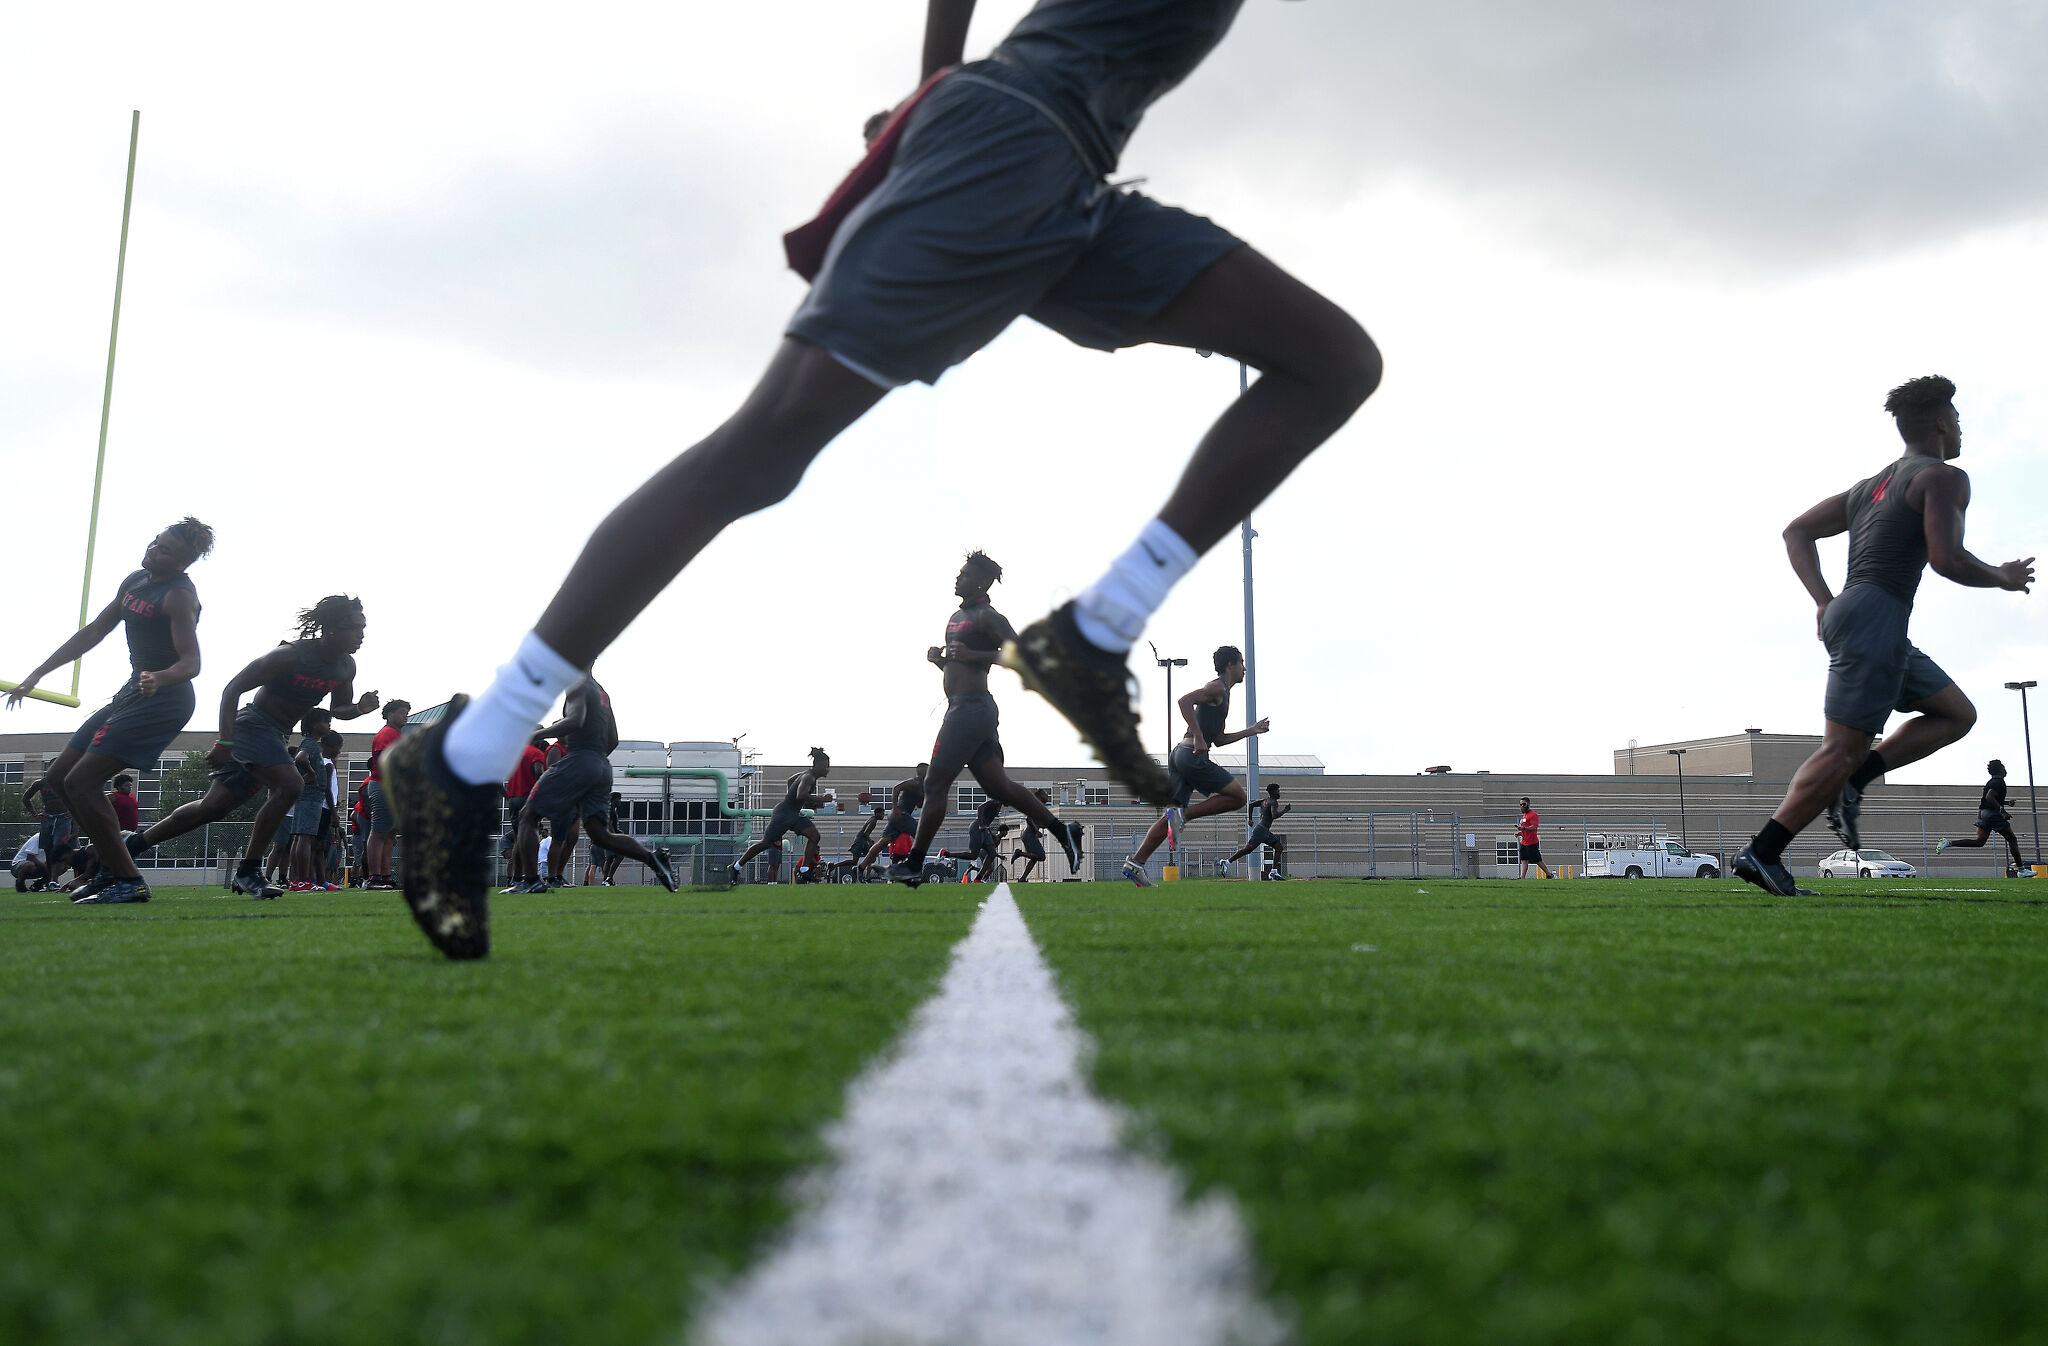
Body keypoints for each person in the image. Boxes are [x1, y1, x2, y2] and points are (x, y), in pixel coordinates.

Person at [381, 0, 1381, 958]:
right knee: (762, 449)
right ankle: (467, 753)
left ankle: (1096, 629)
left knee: (1332, 360)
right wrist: (935, 93)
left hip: (1070, 181)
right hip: (1007, 141)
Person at [1734, 376, 2035, 896]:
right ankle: (1763, 852)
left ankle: (1856, 779)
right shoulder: (1943, 478)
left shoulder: (1870, 485)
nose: (1960, 427)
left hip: (1867, 617)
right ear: (1940, 422)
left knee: (1956, 714)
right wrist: (2002, 576)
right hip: (1875, 616)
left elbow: (1796, 531)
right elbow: (1947, 558)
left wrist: (1825, 601)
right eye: (1957, 417)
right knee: (1839, 751)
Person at [6, 519, 212, 906]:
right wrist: (37, 674)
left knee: (82, 781)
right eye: (155, 542)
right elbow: (94, 631)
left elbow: (191, 663)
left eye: (165, 550)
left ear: (184, 561)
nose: (153, 550)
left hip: (164, 698)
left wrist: (160, 677)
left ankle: (128, 880)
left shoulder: (179, 597)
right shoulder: (135, 581)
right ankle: (107, 867)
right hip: (132, 691)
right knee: (59, 777)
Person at [127, 596, 381, 900]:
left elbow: (339, 707)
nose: (360, 635)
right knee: (290, 786)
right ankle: (248, 871)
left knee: (213, 807)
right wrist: (225, 741)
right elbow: (232, 689)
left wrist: (359, 708)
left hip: (276, 734)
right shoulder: (289, 655)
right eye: (353, 628)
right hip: (253, 725)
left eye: (363, 628)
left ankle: (133, 844)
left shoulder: (345, 667)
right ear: (331, 628)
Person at [891, 554, 1083, 886]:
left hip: (970, 710)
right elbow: (962, 667)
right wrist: (941, 662)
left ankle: (913, 865)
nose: (958, 578)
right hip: (964, 707)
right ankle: (1063, 831)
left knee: (934, 785)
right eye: (959, 572)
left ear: (981, 582)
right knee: (998, 787)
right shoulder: (956, 617)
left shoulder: (988, 617)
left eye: (965, 574)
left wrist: (973, 654)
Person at [509, 676, 675, 907]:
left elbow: (574, 720)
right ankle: (653, 858)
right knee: (600, 835)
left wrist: (534, 735)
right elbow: (613, 740)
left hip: (579, 759)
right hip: (601, 765)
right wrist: (594, 760)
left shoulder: (576, 684)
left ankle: (530, 881)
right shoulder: (601, 692)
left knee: (527, 816)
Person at [1122, 644, 1268, 887]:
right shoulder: (1216, 687)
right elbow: (1184, 701)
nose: (1245, 668)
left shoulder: (1224, 695)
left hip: (1180, 755)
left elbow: (1219, 740)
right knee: (1238, 797)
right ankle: (1183, 816)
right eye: (1241, 663)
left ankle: (1136, 863)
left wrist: (1251, 731)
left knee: (1169, 817)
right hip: (1191, 754)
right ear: (1230, 665)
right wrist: (1199, 736)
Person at [733, 748, 832, 885]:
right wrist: (822, 798)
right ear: (819, 765)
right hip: (784, 813)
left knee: (814, 836)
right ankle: (735, 867)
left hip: (794, 813)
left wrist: (796, 802)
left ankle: (804, 871)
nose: (828, 769)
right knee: (765, 843)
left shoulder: (805, 774)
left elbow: (790, 781)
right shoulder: (808, 777)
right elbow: (801, 795)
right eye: (826, 766)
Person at [1937, 759, 2031, 873]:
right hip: (1992, 814)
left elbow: (1991, 798)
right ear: (2000, 770)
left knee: (1979, 842)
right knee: (2012, 839)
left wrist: (2006, 803)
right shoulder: (1999, 781)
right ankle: (2021, 870)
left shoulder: (1992, 782)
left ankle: (1947, 843)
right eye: (2003, 767)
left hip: (1983, 813)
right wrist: (2002, 811)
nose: (2005, 770)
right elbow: (1989, 798)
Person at [362, 701, 411, 891]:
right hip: (384, 785)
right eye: (401, 712)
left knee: (389, 834)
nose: (405, 716)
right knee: (379, 832)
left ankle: (385, 876)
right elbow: (385, 761)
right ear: (389, 714)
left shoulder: (396, 734)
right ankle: (374, 877)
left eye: (406, 712)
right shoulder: (387, 733)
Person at [286, 710, 335, 891]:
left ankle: (296, 880)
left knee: (300, 837)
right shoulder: (311, 743)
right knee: (306, 838)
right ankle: (303, 880)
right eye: (326, 722)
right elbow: (301, 758)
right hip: (311, 797)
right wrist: (312, 773)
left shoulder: (308, 743)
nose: (329, 725)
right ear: (315, 724)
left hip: (305, 797)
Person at [861, 763, 928, 877]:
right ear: (923, 772)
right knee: (921, 836)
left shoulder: (922, 786)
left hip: (899, 817)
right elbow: (896, 788)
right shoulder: (914, 782)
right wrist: (895, 807)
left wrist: (923, 799)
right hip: (899, 814)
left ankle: (860, 867)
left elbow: (918, 804)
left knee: (882, 843)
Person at [1226, 781, 1290, 878]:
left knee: (1279, 847)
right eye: (1277, 791)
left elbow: (1251, 805)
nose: (1279, 793)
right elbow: (1274, 815)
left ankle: (1273, 871)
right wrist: (1285, 810)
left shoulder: (1264, 801)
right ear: (1273, 792)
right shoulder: (1273, 802)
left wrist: (1250, 819)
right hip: (1261, 831)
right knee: (1247, 850)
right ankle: (1227, 862)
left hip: (1263, 831)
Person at [1010, 788, 1059, 883]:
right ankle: (1019, 853)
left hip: (1029, 835)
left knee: (1034, 858)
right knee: (1041, 856)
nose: (1048, 796)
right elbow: (1028, 819)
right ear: (1040, 796)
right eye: (1045, 794)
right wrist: (1036, 831)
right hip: (1029, 835)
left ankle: (1023, 878)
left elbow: (1038, 823)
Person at [1514, 795, 1553, 880]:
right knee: (1524, 860)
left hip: (1532, 842)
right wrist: (1520, 833)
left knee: (1537, 860)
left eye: (1524, 804)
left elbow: (1534, 827)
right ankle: (1522, 878)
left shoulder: (1533, 815)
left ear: (1528, 804)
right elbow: (1525, 830)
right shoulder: (1524, 816)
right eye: (1520, 804)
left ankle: (1549, 874)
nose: (1522, 806)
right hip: (1524, 842)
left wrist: (1524, 828)